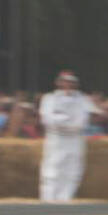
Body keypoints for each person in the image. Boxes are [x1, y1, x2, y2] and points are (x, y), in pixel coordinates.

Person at [39, 70, 97, 202]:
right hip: (56, 137)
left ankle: (66, 198)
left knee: (73, 168)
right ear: (59, 82)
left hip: (75, 138)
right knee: (53, 167)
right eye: (65, 81)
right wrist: (67, 120)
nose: (68, 84)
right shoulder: (50, 98)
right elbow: (48, 118)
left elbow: (84, 119)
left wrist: (66, 120)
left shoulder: (82, 99)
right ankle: (48, 198)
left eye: (71, 82)